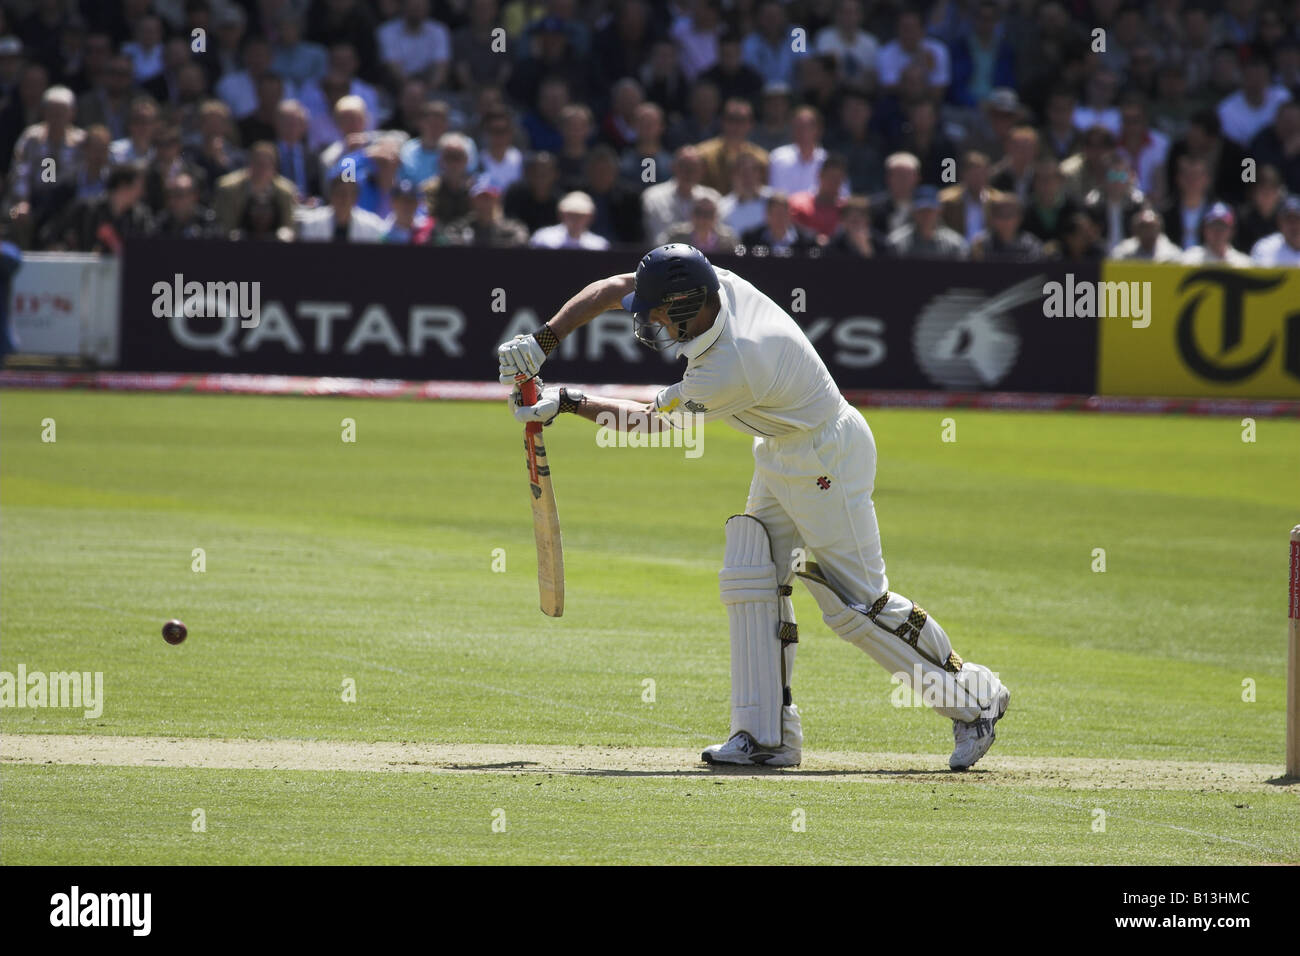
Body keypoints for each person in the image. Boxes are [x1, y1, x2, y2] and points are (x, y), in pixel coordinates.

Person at [498, 244, 1010, 769]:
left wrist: (569, 402)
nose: (649, 324)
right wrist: (543, 342)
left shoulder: (732, 363)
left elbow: (653, 421)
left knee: (858, 609)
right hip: (782, 446)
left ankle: (975, 702)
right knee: (752, 574)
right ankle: (765, 737)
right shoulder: (708, 281)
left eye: (655, 315)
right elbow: (609, 290)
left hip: (824, 456)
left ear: (684, 306)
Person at [529, 190, 610, 250]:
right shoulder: (543, 238)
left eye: (581, 215)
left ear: (590, 217)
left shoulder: (599, 245)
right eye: (571, 214)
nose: (576, 219)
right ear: (561, 214)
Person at [1180, 203, 1251, 266]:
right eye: (1213, 226)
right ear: (1204, 229)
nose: (1218, 232)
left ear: (1232, 231)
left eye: (1223, 227)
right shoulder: (1189, 261)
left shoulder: (1243, 264)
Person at [1249, 195, 1300, 266]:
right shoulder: (1264, 249)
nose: (1294, 226)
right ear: (1279, 222)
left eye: (1297, 219)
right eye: (1289, 220)